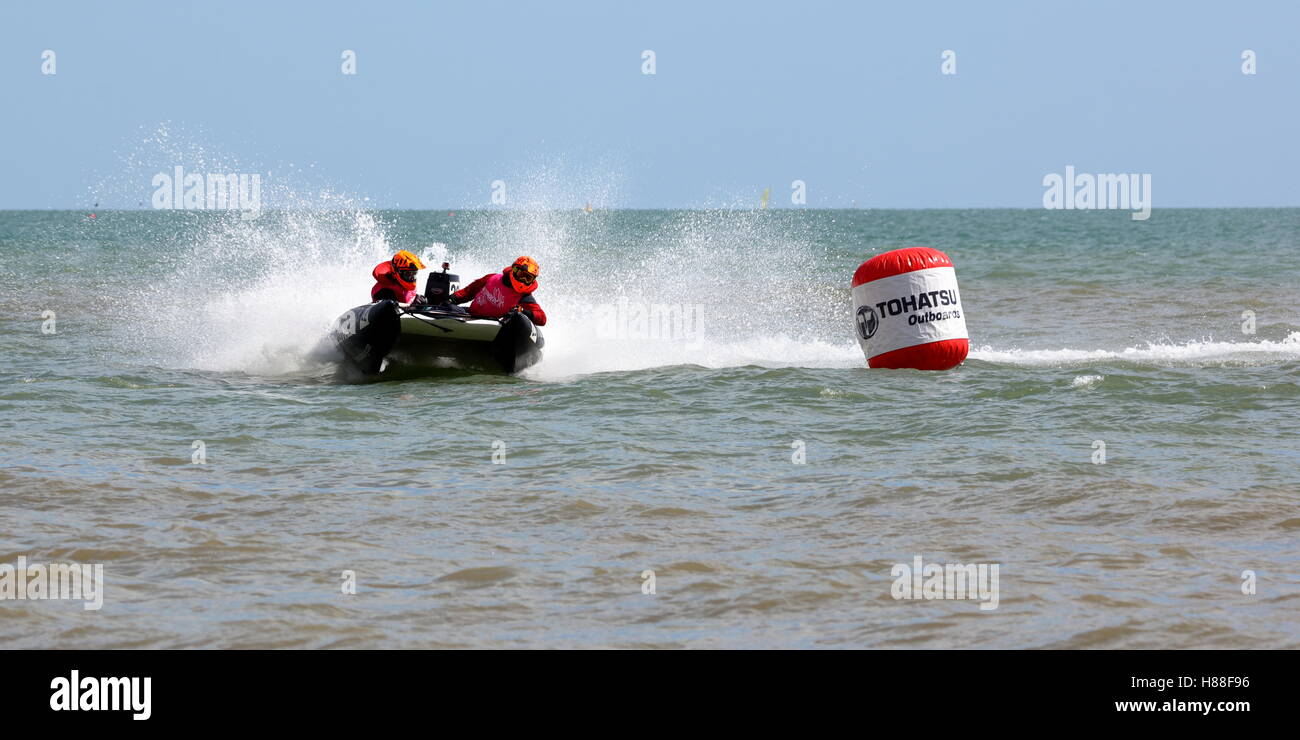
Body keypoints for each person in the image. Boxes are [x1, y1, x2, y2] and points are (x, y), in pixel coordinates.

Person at [448, 256, 547, 325]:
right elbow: (469, 291)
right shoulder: (492, 278)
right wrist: (454, 298)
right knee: (446, 306)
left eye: (528, 279)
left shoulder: (524, 297)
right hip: (471, 315)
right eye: (522, 276)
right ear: (514, 270)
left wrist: (523, 311)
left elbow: (542, 318)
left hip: (497, 326)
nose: (523, 281)